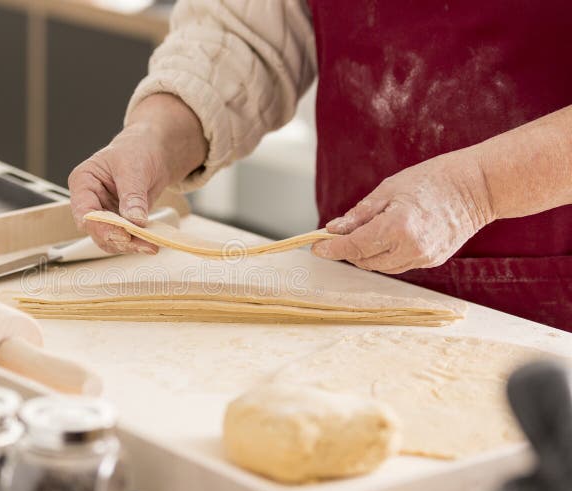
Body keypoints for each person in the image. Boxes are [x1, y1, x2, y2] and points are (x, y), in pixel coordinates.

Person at [68, 0, 572, 331]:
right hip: (353, 286)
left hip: (552, 314)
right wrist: (156, 136)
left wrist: (476, 190)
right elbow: (247, 28)